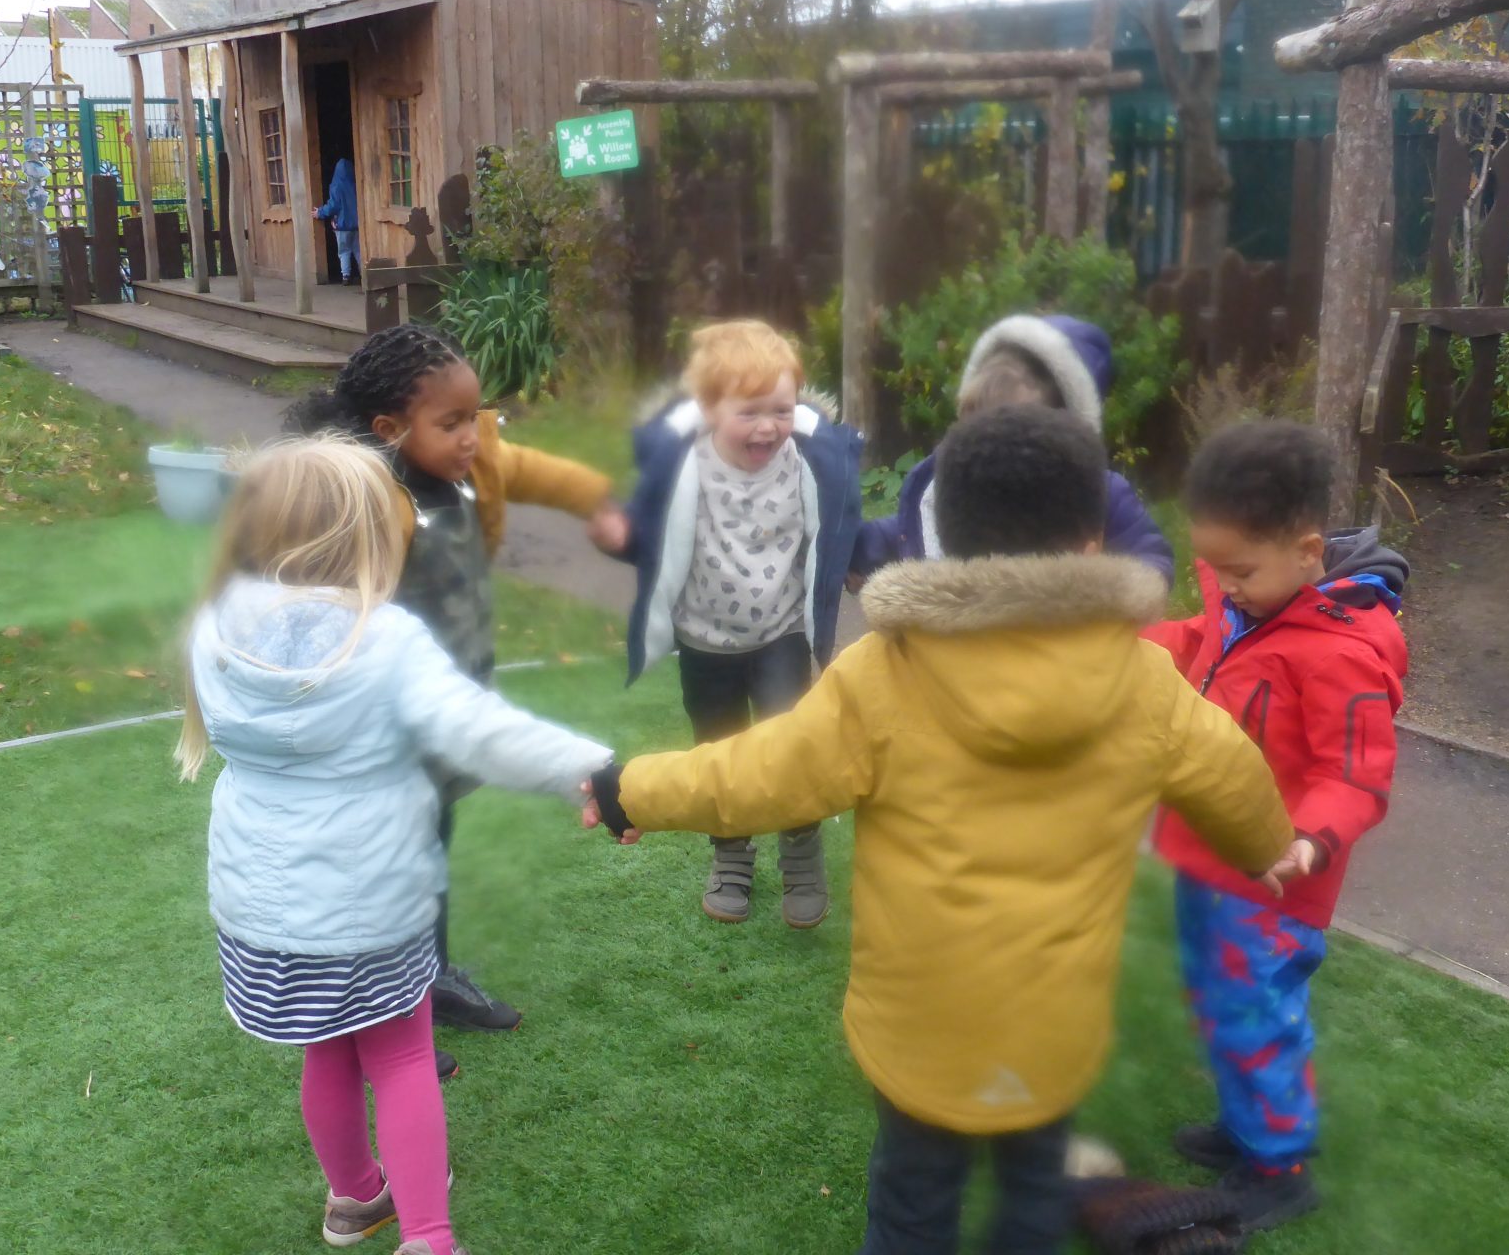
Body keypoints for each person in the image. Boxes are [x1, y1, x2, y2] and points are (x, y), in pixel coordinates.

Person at [585, 405, 1292, 1255]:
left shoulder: (888, 674)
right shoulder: (1146, 681)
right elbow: (1233, 774)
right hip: (1052, 1029)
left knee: (913, 1206)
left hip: (922, 1033)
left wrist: (629, 792)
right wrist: (1267, 848)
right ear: (1092, 542)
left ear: (945, 536)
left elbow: (752, 773)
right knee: (1032, 1196)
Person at [178, 437, 615, 1255]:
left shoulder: (214, 624)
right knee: (403, 1056)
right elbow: (482, 732)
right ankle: (428, 1238)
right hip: (370, 907)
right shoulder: (385, 640)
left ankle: (355, 1199)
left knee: (327, 1049)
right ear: (364, 539)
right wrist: (592, 769)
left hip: (263, 912)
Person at [285, 324, 629, 1069]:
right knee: (390, 875)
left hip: (449, 721)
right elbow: (329, 613)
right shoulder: (375, 504)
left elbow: (524, 465)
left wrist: (596, 502)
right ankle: (384, 1015)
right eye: (452, 423)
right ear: (389, 429)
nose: (473, 436)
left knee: (431, 857)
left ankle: (428, 979)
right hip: (388, 736)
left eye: (475, 415)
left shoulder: (464, 470)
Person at [1146, 419, 1409, 1234]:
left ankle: (1279, 1166)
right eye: (1217, 570)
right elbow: (1201, 642)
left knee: (1258, 1013)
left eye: (1240, 572)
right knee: (1219, 1000)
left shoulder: (1341, 654)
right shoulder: (1250, 603)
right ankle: (1245, 1126)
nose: (1226, 587)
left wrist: (1307, 843)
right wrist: (1128, 644)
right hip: (1209, 858)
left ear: (1306, 551)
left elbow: (1355, 774)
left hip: (1275, 882)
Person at [617, 319, 863, 928]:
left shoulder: (809, 463)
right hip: (705, 641)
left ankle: (801, 855)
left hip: (782, 634)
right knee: (719, 748)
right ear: (708, 410)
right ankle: (731, 855)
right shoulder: (684, 464)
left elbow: (837, 525)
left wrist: (853, 562)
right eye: (748, 412)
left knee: (791, 747)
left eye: (781, 410)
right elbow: (646, 530)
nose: (768, 427)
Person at [852, 312, 1174, 584]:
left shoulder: (1099, 492)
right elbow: (901, 532)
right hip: (955, 632)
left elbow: (1151, 561)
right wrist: (851, 543)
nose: (993, 450)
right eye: (976, 432)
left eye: (1015, 438)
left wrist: (1097, 587)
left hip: (1060, 629)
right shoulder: (940, 487)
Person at [316, 157, 361, 285]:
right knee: (358, 250)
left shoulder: (336, 186)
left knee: (344, 251)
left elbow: (333, 206)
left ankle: (346, 276)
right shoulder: (356, 184)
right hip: (356, 225)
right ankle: (364, 273)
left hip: (341, 226)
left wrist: (320, 212)